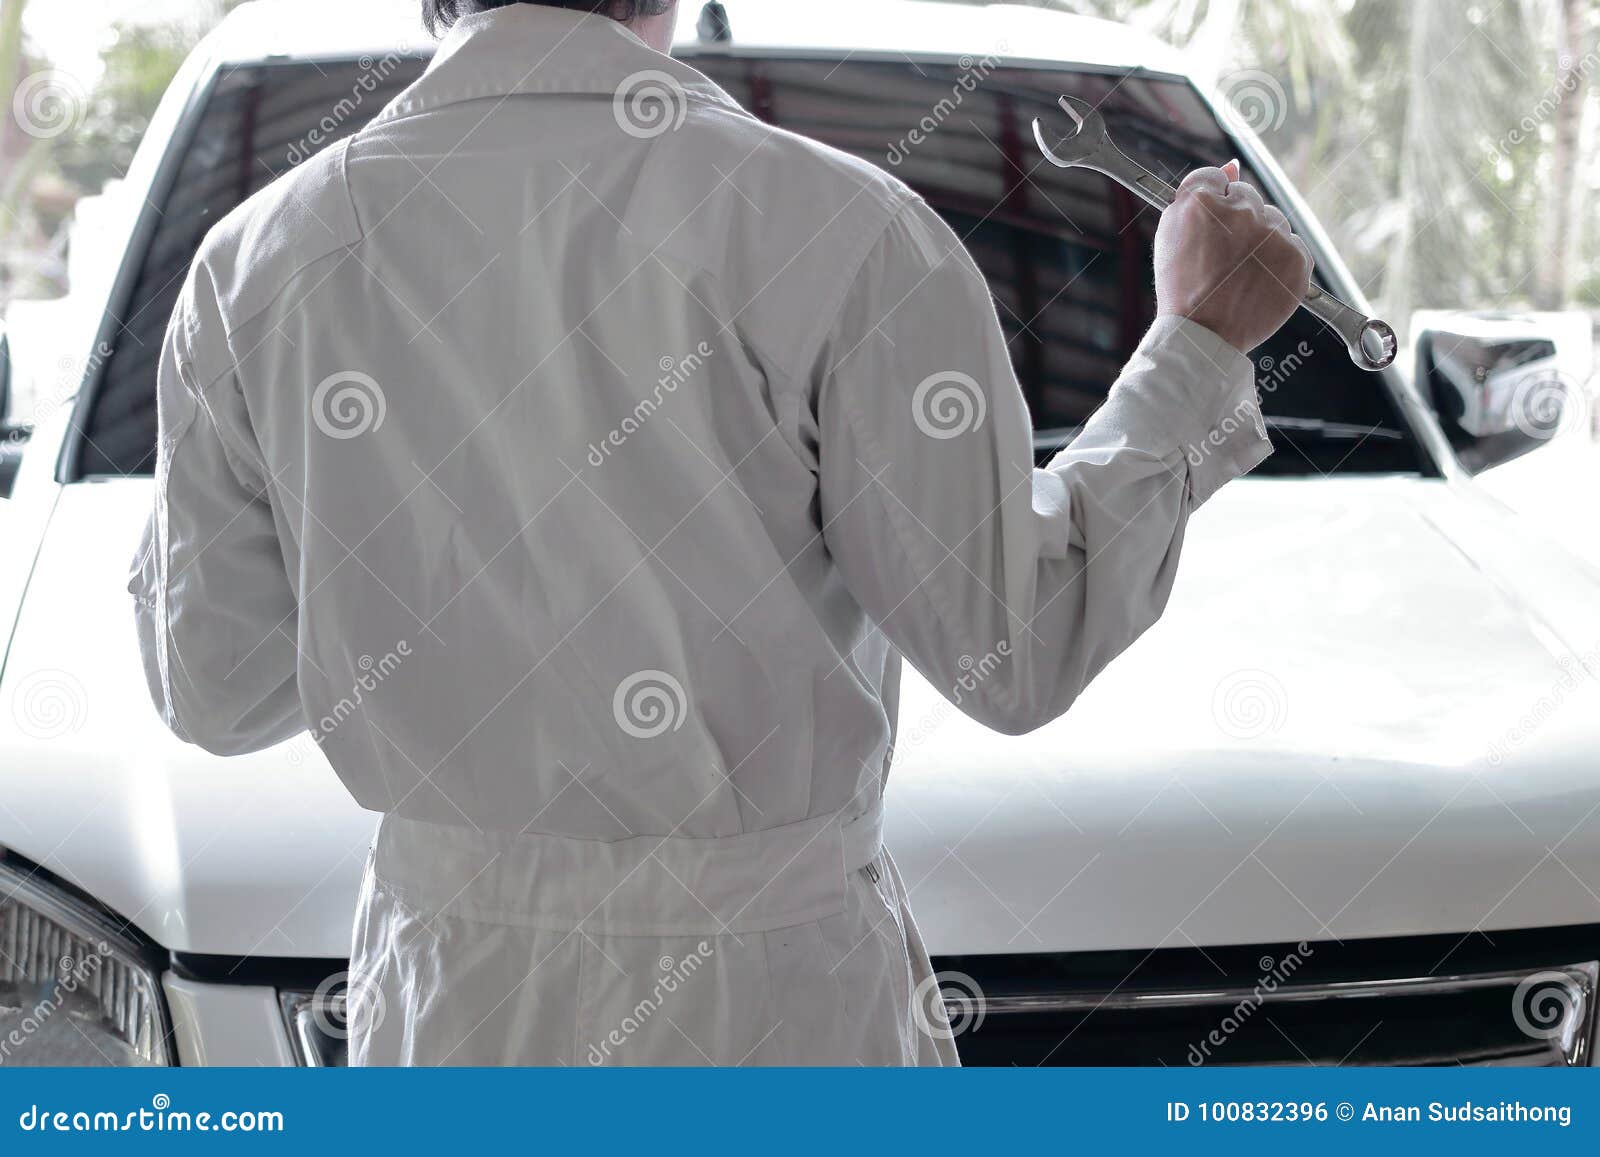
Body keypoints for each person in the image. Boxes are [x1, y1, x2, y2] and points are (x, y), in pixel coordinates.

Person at [130, 0, 1311, 1065]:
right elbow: (1014, 649)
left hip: (447, 1010)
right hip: (776, 1013)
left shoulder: (252, 265)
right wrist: (1195, 345)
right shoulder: (842, 228)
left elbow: (217, 688)